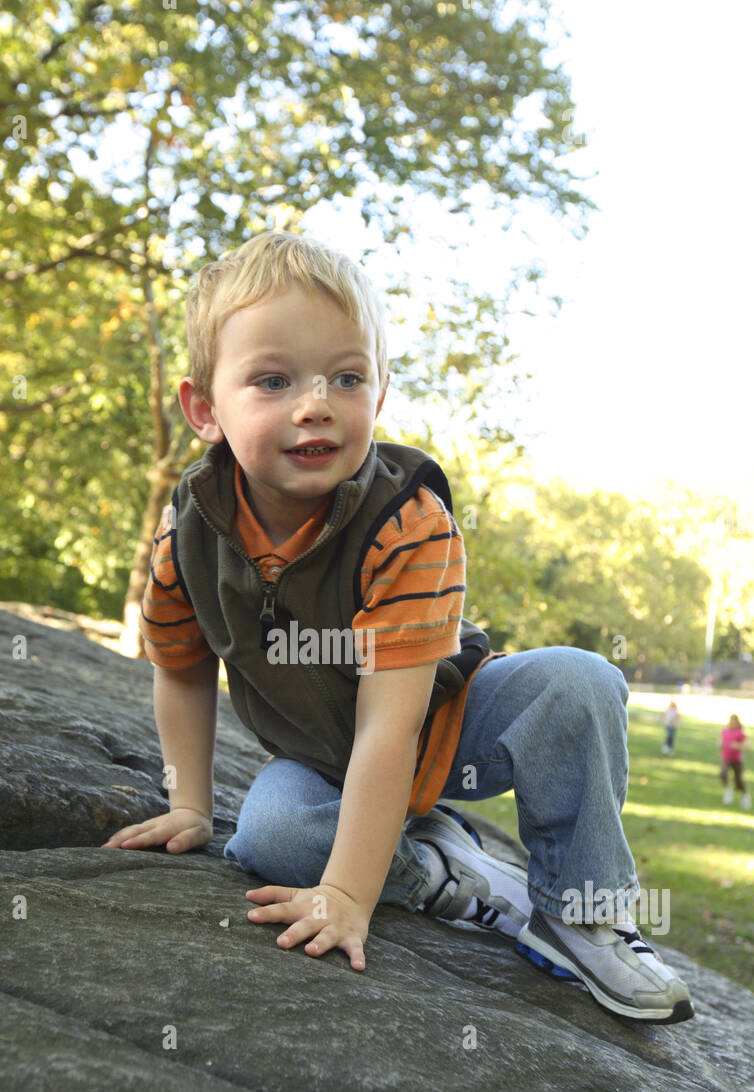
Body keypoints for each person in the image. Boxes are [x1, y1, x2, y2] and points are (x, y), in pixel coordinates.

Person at [103, 230, 693, 1025]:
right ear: (205, 408)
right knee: (270, 836)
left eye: (345, 377)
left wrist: (348, 894)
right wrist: (191, 803)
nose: (314, 404)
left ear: (378, 395)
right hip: (321, 763)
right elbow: (179, 665)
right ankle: (439, 873)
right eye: (273, 381)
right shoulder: (191, 532)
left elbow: (392, 723)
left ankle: (578, 911)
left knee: (581, 681)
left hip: (443, 723)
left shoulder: (407, 520)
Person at [719, 714, 750, 809]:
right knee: (723, 773)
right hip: (726, 758)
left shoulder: (740, 733)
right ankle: (728, 791)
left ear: (737, 723)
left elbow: (747, 745)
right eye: (731, 722)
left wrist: (737, 745)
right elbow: (722, 741)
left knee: (738, 780)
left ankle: (745, 796)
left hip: (736, 760)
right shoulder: (725, 731)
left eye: (734, 722)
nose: (732, 724)